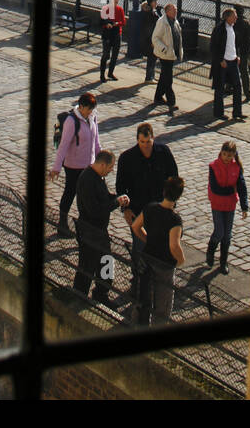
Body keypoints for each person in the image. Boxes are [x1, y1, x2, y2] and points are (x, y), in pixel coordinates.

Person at [116, 123, 179, 301]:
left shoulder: (164, 153)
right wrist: (126, 209)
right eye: (142, 142)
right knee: (140, 251)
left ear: (153, 138)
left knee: (160, 251)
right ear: (137, 140)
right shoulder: (127, 158)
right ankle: (138, 286)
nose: (145, 145)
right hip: (139, 214)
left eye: (148, 141)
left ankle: (157, 287)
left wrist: (172, 201)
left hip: (161, 212)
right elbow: (121, 187)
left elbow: (173, 177)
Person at [73, 151, 129, 306]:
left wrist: (116, 198)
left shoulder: (95, 177)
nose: (111, 170)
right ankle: (80, 296)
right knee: (87, 267)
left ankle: (100, 294)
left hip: (97, 232)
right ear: (102, 164)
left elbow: (102, 197)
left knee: (105, 263)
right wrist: (116, 203)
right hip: (91, 232)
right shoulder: (88, 179)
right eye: (110, 167)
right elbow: (96, 210)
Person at [132, 176, 185, 326]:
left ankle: (137, 326)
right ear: (178, 196)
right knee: (163, 305)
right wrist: (181, 260)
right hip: (164, 265)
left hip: (147, 257)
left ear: (164, 192)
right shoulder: (174, 220)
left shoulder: (150, 208)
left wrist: (147, 239)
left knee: (142, 297)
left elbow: (136, 226)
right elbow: (174, 246)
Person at [49, 92, 100, 236]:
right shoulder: (72, 121)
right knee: (70, 192)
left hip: (88, 165)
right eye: (89, 109)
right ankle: (62, 223)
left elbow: (96, 141)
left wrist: (101, 159)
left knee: (86, 196)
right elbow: (63, 145)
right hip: (73, 166)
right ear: (81, 106)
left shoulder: (92, 117)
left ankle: (85, 226)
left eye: (92, 109)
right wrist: (56, 168)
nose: (91, 112)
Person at [206, 139, 249, 274]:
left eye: (229, 156)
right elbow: (215, 188)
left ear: (234, 155)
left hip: (230, 204)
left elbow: (242, 186)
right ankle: (211, 250)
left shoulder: (236, 168)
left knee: (227, 235)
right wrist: (232, 190)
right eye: (224, 154)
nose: (226, 158)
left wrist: (244, 206)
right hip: (217, 203)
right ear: (221, 153)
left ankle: (223, 262)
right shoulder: (213, 166)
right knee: (219, 232)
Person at [210, 6, 246, 121]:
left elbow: (233, 44)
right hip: (223, 63)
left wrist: (237, 56)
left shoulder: (232, 28)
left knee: (237, 86)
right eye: (234, 17)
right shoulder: (219, 29)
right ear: (228, 17)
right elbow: (213, 47)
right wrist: (220, 60)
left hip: (233, 61)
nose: (236, 18)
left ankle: (237, 113)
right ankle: (218, 113)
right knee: (220, 88)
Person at [152, 1, 183, 116]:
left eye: (176, 10)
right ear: (167, 11)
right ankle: (171, 101)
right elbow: (155, 38)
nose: (176, 12)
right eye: (173, 10)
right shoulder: (162, 22)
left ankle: (158, 96)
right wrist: (164, 49)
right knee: (168, 79)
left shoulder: (175, 22)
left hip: (172, 54)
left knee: (164, 76)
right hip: (165, 54)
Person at [99, 0, 125, 82]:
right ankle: (102, 75)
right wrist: (107, 24)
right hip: (108, 34)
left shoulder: (120, 9)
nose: (116, 0)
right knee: (106, 55)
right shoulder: (105, 9)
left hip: (117, 33)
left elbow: (123, 22)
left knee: (115, 56)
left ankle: (110, 73)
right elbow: (102, 21)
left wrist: (117, 23)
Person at [233, 5, 250, 103]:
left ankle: (229, 88)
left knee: (231, 70)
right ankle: (247, 93)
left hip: (234, 50)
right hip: (244, 51)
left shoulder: (232, 23)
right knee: (244, 72)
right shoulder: (248, 22)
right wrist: (249, 47)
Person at [139, 0, 160, 82]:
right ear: (151, 2)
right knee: (152, 58)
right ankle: (149, 77)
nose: (156, 3)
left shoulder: (151, 12)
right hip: (150, 40)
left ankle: (151, 76)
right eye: (155, 1)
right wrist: (152, 40)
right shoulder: (149, 13)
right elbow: (149, 28)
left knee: (153, 58)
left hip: (150, 38)